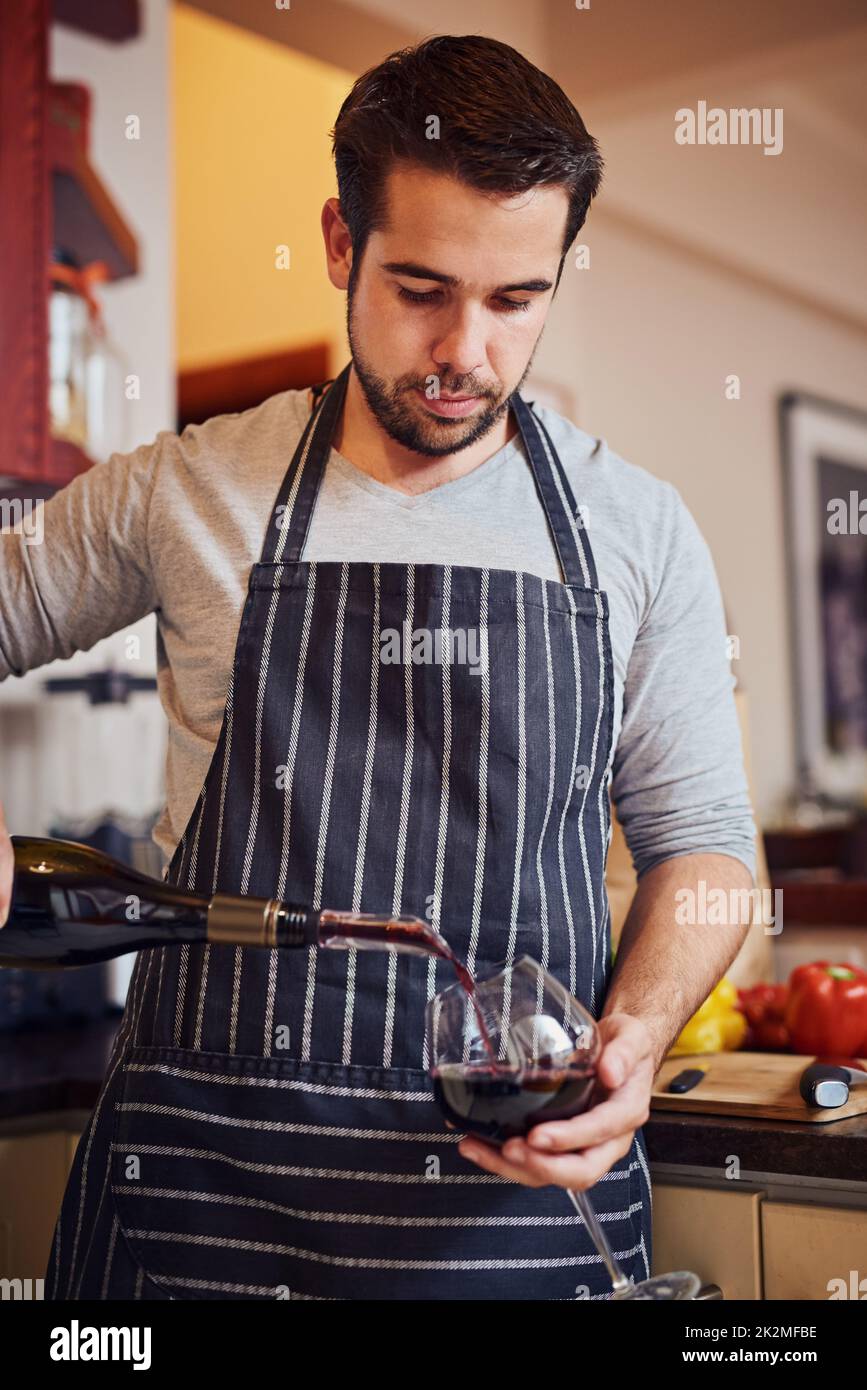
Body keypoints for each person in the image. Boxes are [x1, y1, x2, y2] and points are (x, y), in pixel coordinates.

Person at [0, 34, 756, 1301]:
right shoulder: (183, 491)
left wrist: (638, 1035)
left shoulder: (637, 529)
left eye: (518, 299)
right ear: (341, 247)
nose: (467, 348)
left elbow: (712, 851)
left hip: (515, 1209)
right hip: (203, 1205)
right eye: (422, 287)